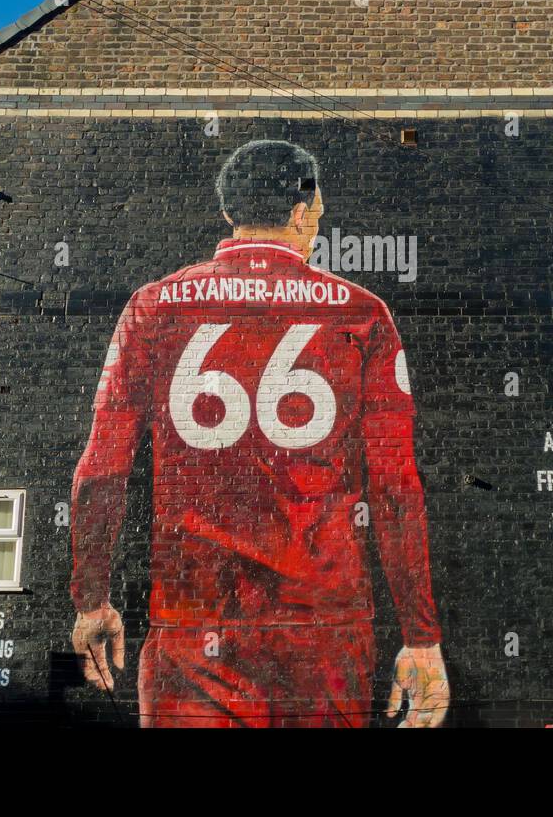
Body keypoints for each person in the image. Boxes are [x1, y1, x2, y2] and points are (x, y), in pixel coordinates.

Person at [70, 139, 449, 727]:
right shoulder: (361, 314)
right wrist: (421, 636)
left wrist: (91, 599)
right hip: (324, 627)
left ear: (229, 213)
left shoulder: (152, 307)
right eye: (316, 212)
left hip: (193, 623)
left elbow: (101, 472)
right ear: (304, 211)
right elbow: (396, 487)